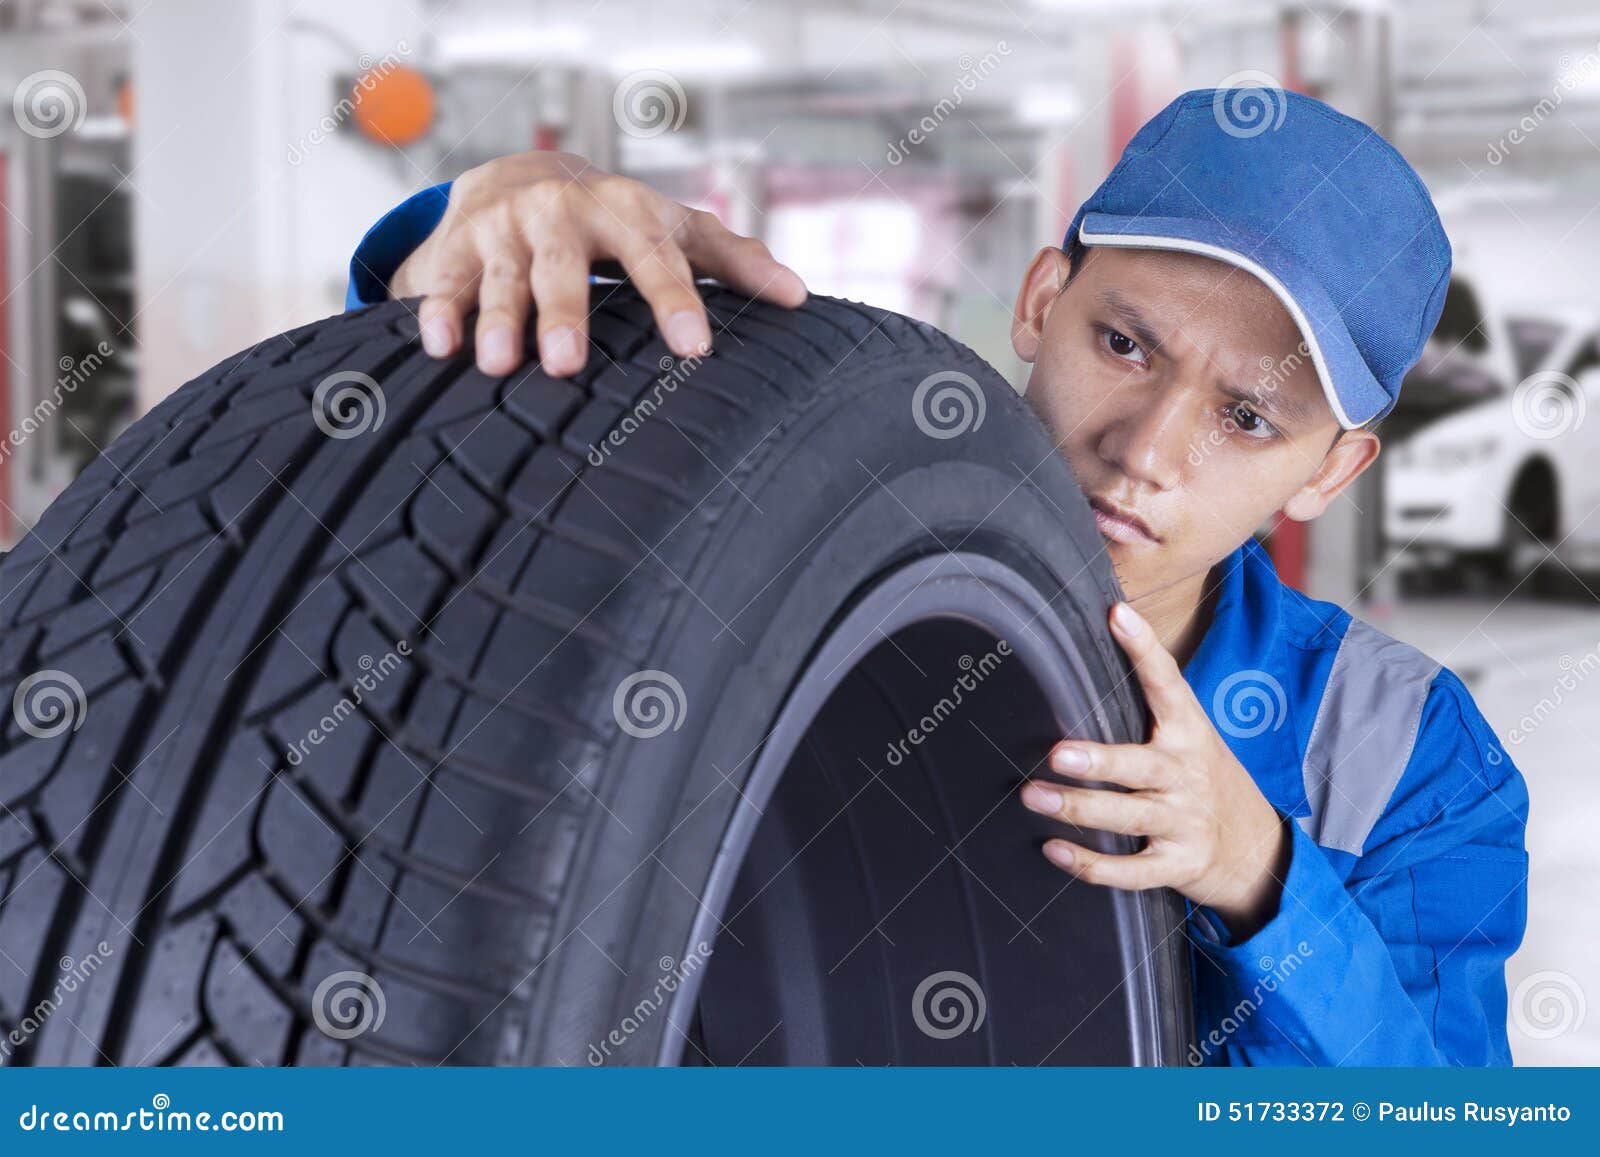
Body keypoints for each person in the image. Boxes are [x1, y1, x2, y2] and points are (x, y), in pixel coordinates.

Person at [343, 87, 1529, 1066]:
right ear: (1038, 300)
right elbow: (445, 525)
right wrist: (473, 236)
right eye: (1124, 345)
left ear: (1332, 470)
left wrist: (1258, 874)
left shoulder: (1403, 758)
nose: (1146, 450)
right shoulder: (769, 548)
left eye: (1246, 417)